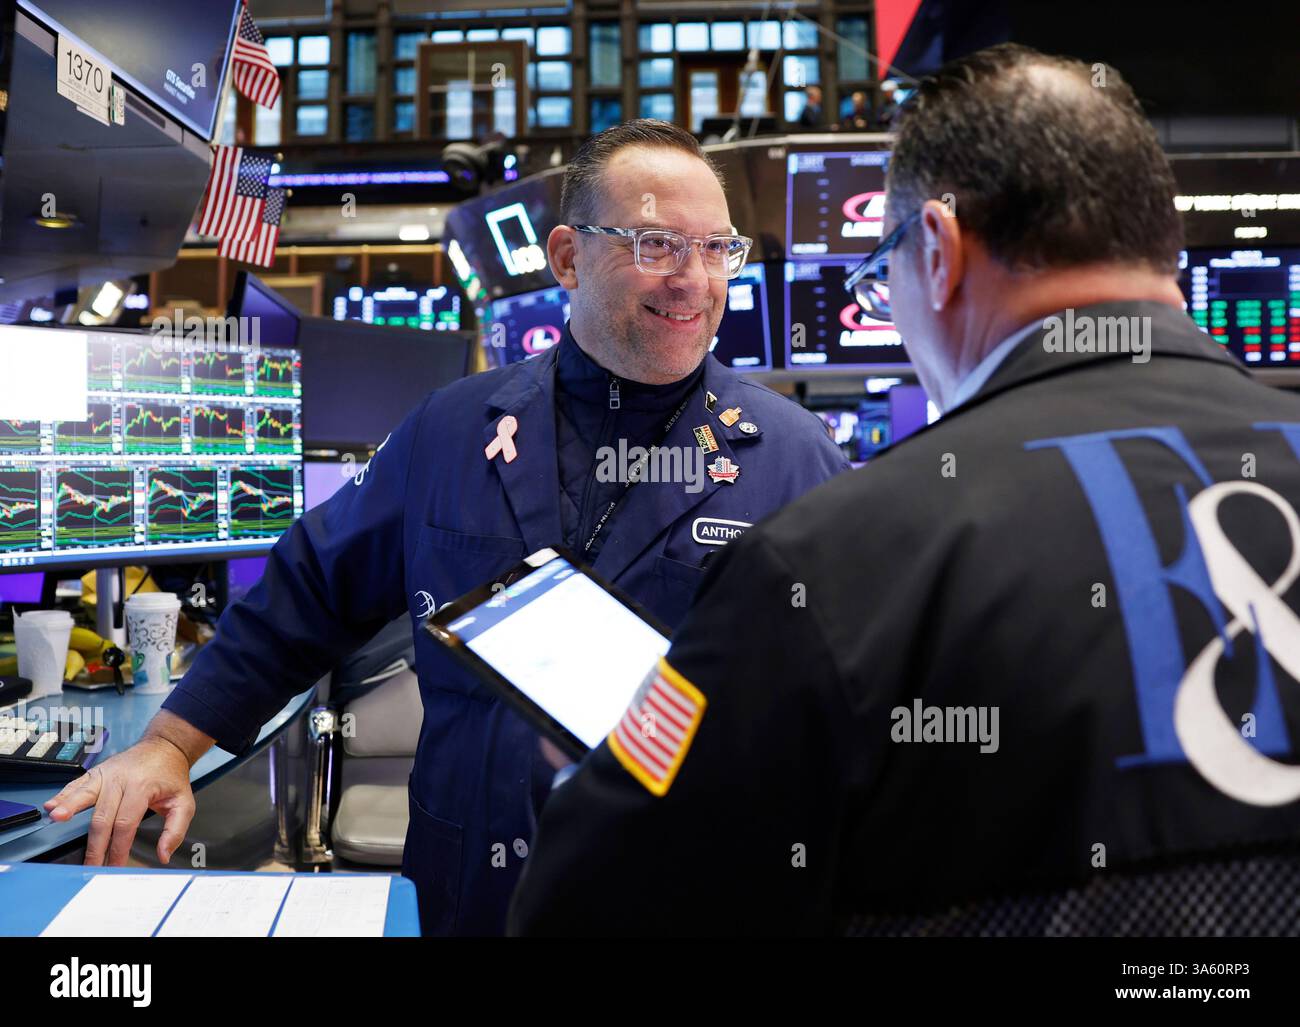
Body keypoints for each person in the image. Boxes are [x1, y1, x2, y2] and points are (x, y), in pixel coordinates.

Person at [508, 44, 1300, 936]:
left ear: (938, 248)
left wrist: (596, 778)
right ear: (1163, 237)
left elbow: (594, 903)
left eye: (882, 269)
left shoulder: (835, 560)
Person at [43, 119, 849, 935]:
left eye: (717, 248)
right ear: (567, 257)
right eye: (656, 244)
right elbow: (308, 590)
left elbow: (852, 703)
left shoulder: (793, 459)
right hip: (468, 890)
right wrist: (170, 743)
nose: (695, 279)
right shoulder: (450, 429)